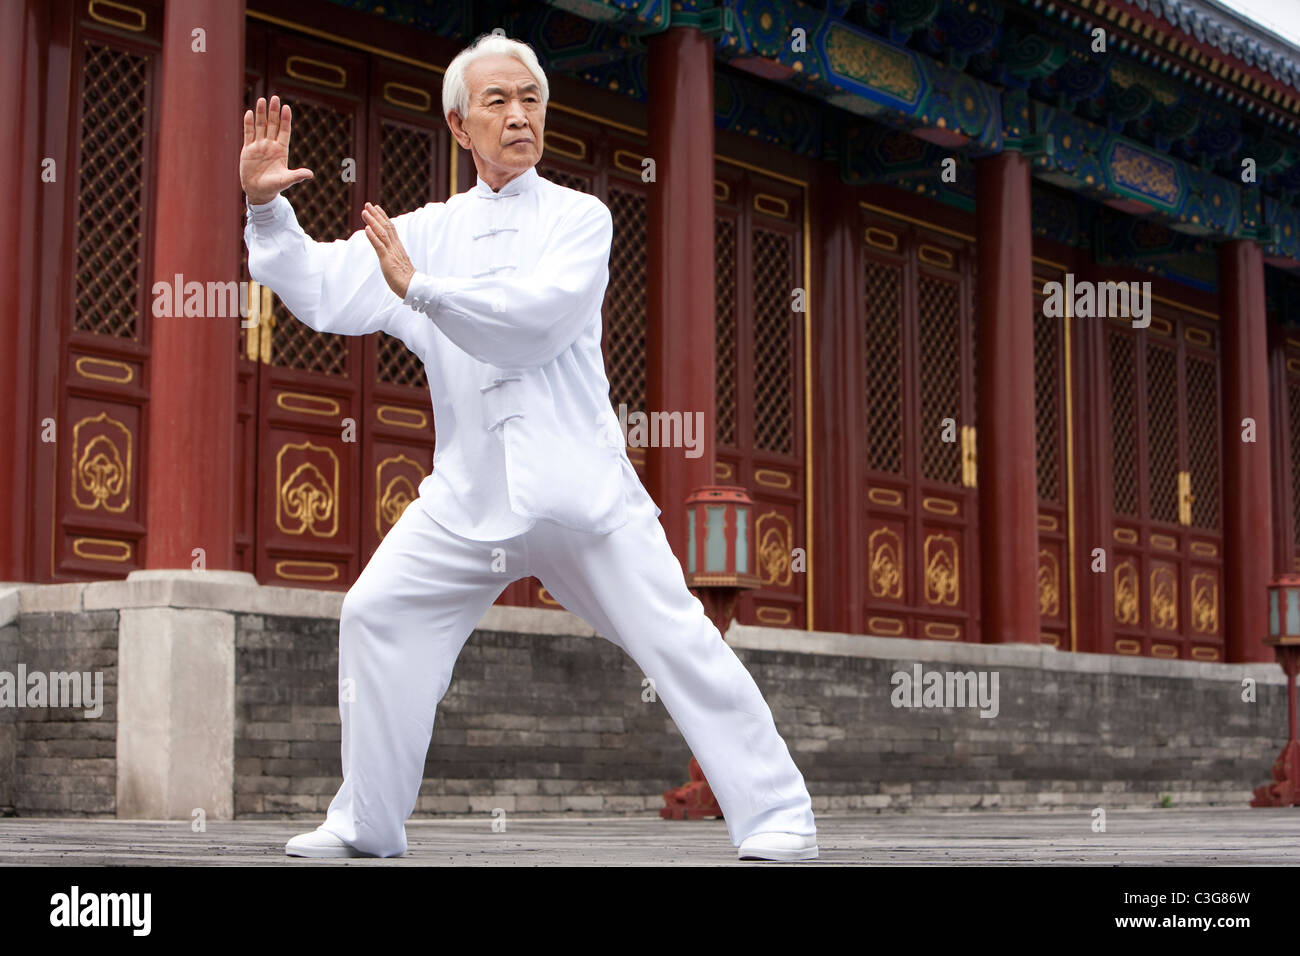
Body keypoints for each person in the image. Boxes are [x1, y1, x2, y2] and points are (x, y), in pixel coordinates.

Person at [240, 32, 817, 862]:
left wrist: (423, 291)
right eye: (497, 102)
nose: (518, 116)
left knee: (680, 639)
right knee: (376, 614)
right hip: (468, 493)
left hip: (580, 492)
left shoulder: (580, 220)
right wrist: (266, 209)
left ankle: (777, 816)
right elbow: (328, 287)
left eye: (531, 100)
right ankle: (367, 822)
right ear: (458, 126)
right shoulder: (426, 231)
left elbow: (534, 320)